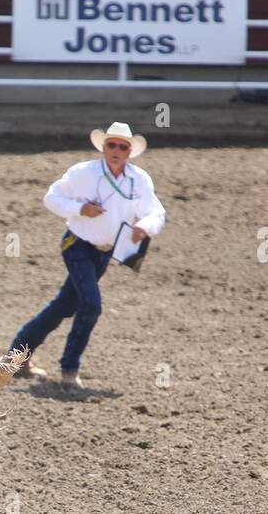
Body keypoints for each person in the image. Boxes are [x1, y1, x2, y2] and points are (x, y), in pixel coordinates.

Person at [10, 122, 165, 386]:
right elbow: (52, 198)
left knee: (63, 306)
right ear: (104, 147)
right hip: (77, 245)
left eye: (122, 146)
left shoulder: (139, 179)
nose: (116, 150)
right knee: (91, 305)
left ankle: (15, 357)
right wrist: (80, 209)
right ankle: (70, 369)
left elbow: (155, 211)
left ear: (129, 152)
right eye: (111, 145)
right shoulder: (84, 173)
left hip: (105, 252)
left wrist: (145, 226)